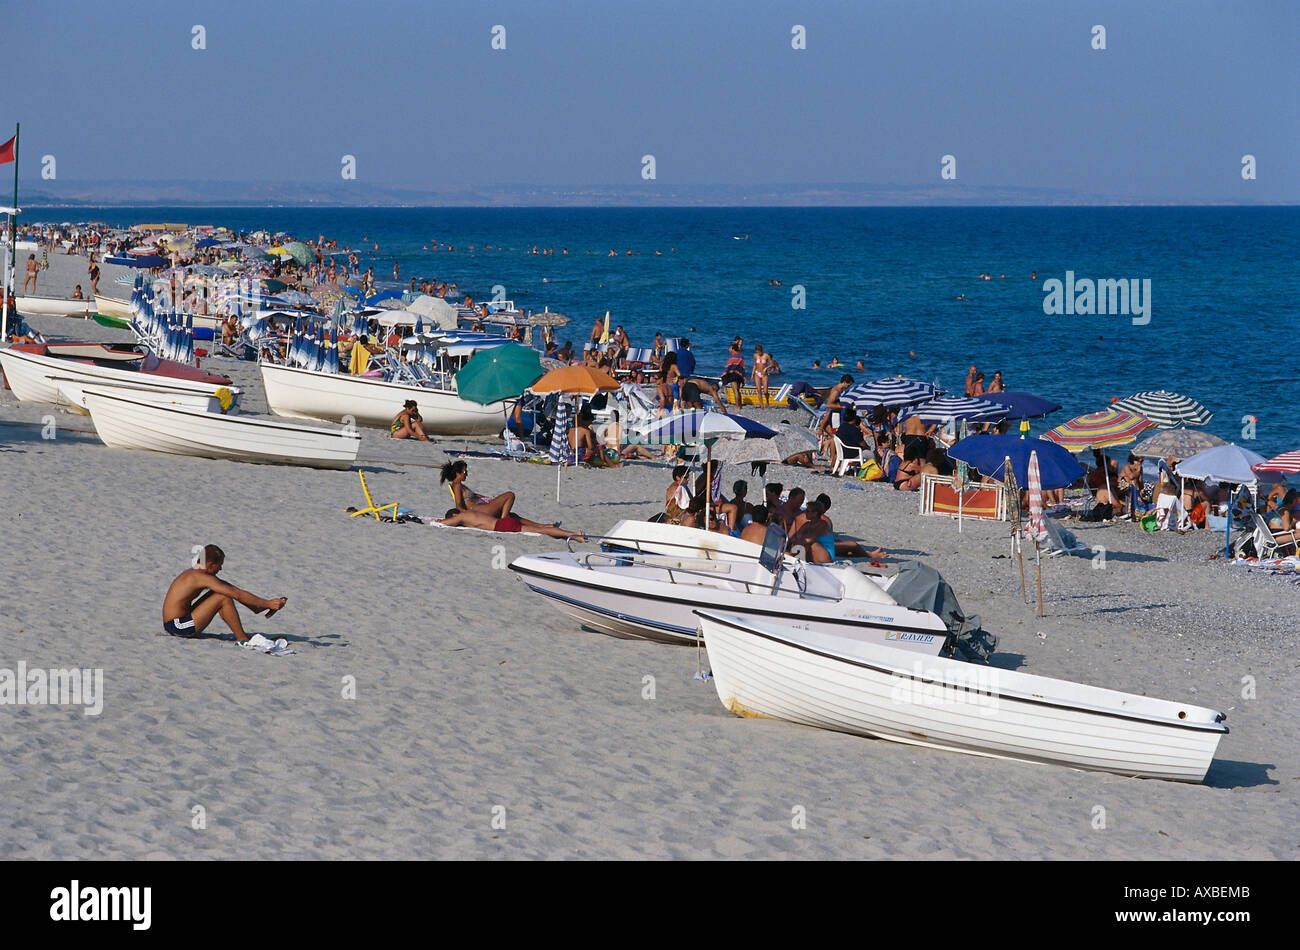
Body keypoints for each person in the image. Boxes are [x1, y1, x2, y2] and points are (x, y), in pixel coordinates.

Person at [162, 544, 287, 644]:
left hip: (179, 622)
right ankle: (242, 638)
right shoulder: (200, 576)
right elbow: (236, 594)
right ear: (211, 565)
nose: (220, 569)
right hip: (177, 626)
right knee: (223, 596)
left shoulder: (197, 572)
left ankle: (248, 625)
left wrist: (261, 606)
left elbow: (232, 589)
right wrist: (269, 603)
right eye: (219, 565)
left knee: (222, 592)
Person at [436, 507, 585, 539]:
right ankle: (556, 529)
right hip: (503, 521)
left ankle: (573, 535)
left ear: (455, 515)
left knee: (541, 532)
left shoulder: (462, 516)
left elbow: (445, 523)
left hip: (502, 526)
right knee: (538, 529)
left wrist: (438, 520)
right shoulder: (470, 513)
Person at [440, 460, 517, 520]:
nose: (466, 474)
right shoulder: (457, 485)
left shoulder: (460, 485)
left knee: (514, 516)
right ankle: (503, 520)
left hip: (484, 507)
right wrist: (468, 515)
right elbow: (459, 505)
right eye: (465, 471)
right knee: (510, 495)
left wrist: (489, 499)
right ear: (457, 473)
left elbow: (474, 495)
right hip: (482, 510)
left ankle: (506, 518)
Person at [721, 342, 746, 407]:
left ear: (732, 349)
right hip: (739, 375)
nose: (729, 349)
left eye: (730, 348)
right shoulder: (741, 357)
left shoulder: (732, 357)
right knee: (738, 390)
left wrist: (723, 374)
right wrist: (743, 377)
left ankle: (737, 406)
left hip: (733, 375)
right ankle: (740, 405)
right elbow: (743, 368)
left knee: (735, 391)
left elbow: (728, 367)